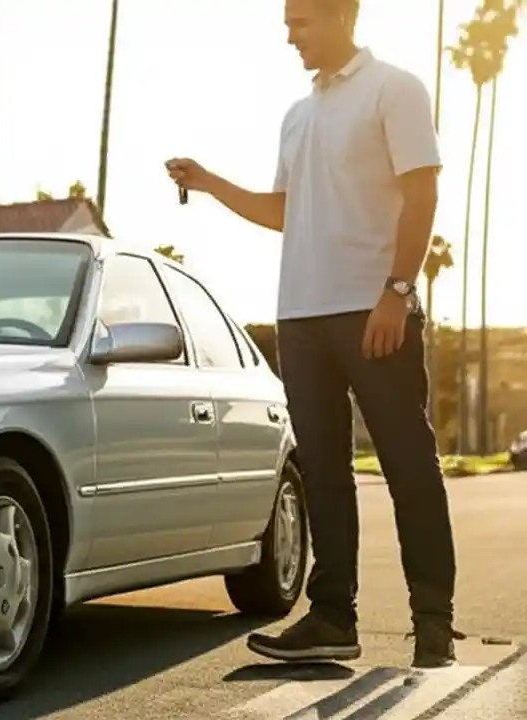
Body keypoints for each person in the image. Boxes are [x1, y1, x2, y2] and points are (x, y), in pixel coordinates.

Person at [164, 0, 458, 669]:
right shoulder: (298, 115)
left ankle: (433, 624)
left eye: (300, 21)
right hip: (301, 317)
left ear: (341, 16)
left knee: (409, 468)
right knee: (324, 474)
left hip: (374, 313)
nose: (289, 34)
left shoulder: (395, 89)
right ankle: (331, 617)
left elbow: (422, 194)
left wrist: (397, 292)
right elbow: (285, 211)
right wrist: (209, 183)